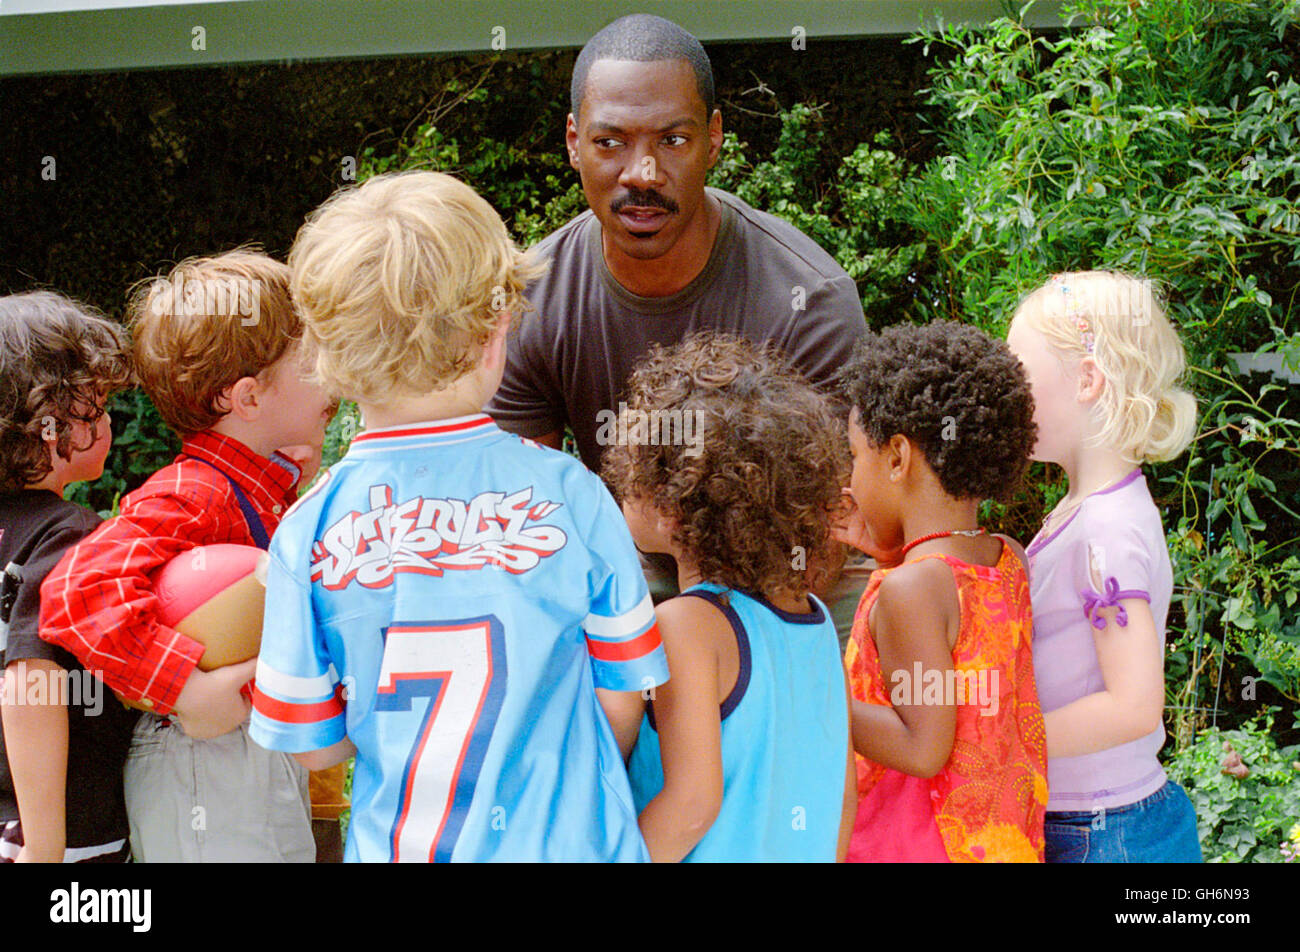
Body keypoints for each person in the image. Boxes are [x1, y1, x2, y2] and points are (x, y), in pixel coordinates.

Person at [249, 170, 670, 862]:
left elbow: (315, 744)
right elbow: (624, 696)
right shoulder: (572, 494)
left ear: (325, 351)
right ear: (496, 331)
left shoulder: (309, 527)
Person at [485, 13, 870, 630]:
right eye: (610, 143)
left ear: (714, 139)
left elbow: (829, 526)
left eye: (672, 140)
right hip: (616, 562)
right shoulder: (533, 297)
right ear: (572, 141)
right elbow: (519, 511)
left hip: (781, 566)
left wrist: (705, 627)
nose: (642, 174)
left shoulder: (807, 297)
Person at [40, 249, 336, 862]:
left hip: (244, 757)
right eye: (314, 359)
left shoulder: (256, 486)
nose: (336, 373)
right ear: (248, 397)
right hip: (206, 763)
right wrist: (183, 689)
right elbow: (76, 592)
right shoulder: (195, 491)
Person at [604, 334, 855, 862]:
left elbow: (693, 802)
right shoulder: (814, 621)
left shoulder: (687, 626)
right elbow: (841, 792)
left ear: (672, 508)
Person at [1007, 271, 1202, 863]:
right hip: (1097, 819)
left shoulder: (1104, 530)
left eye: (1020, 372)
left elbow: (1134, 703)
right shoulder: (1085, 511)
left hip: (1105, 830)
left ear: (1087, 380)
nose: (1006, 392)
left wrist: (1008, 736)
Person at [836, 320, 1049, 862]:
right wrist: (888, 556)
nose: (852, 478)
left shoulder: (911, 590)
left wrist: (815, 697)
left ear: (898, 458)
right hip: (1001, 839)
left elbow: (922, 745)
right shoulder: (1007, 556)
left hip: (922, 842)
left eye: (857, 456)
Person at [0, 291, 138, 863]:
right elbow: (31, 680)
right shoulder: (69, 537)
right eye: (97, 404)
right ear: (47, 423)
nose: (108, 420)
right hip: (65, 840)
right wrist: (46, 848)